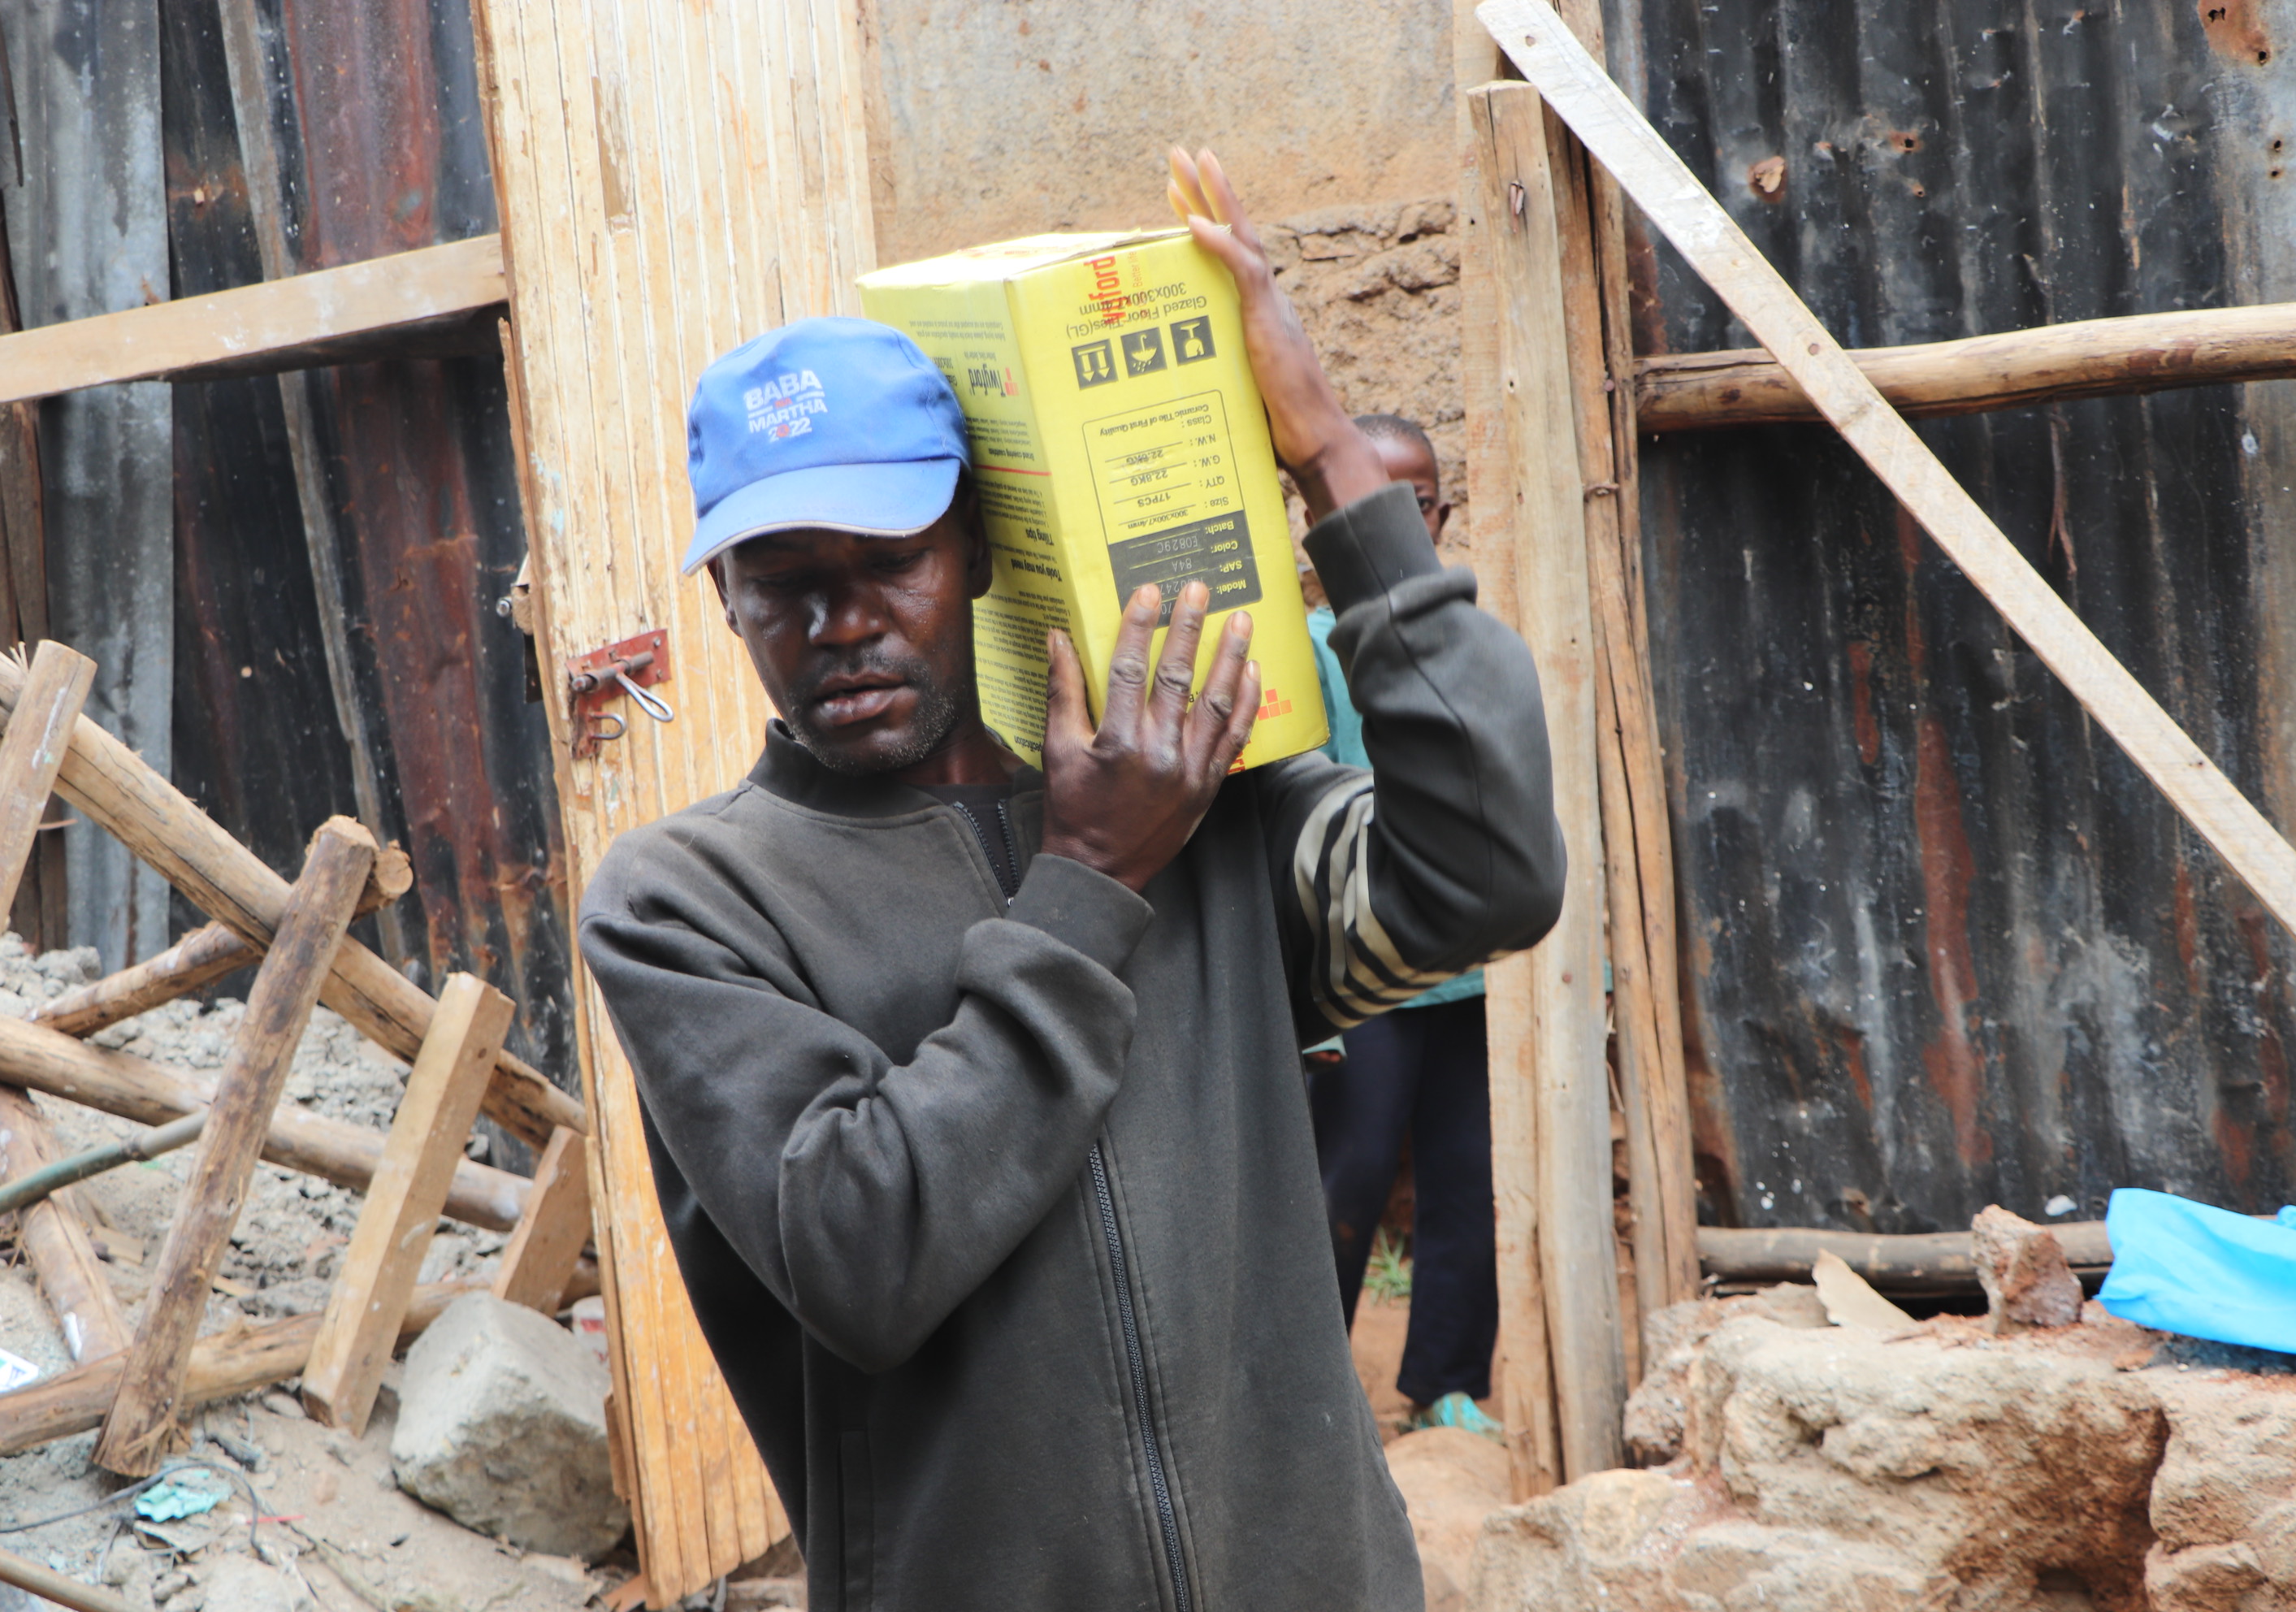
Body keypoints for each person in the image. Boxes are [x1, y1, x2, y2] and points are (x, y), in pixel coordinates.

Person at [577, 149, 1564, 1612]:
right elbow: (861, 1250)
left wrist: (1330, 462)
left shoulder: (1208, 818)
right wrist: (1089, 878)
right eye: (783, 580)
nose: (841, 622)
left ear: (977, 540)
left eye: (887, 558)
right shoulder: (690, 899)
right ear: (723, 596)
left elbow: (1488, 872)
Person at [1302, 416, 1498, 1439]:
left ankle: (1449, 1383)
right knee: (1352, 1172)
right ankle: (1317, 1398)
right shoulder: (1312, 650)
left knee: (1468, 1175)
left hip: (1469, 968)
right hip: (1364, 970)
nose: (1390, 522)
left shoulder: (1471, 636)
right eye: (1358, 505)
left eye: (1411, 502)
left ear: (1443, 511)